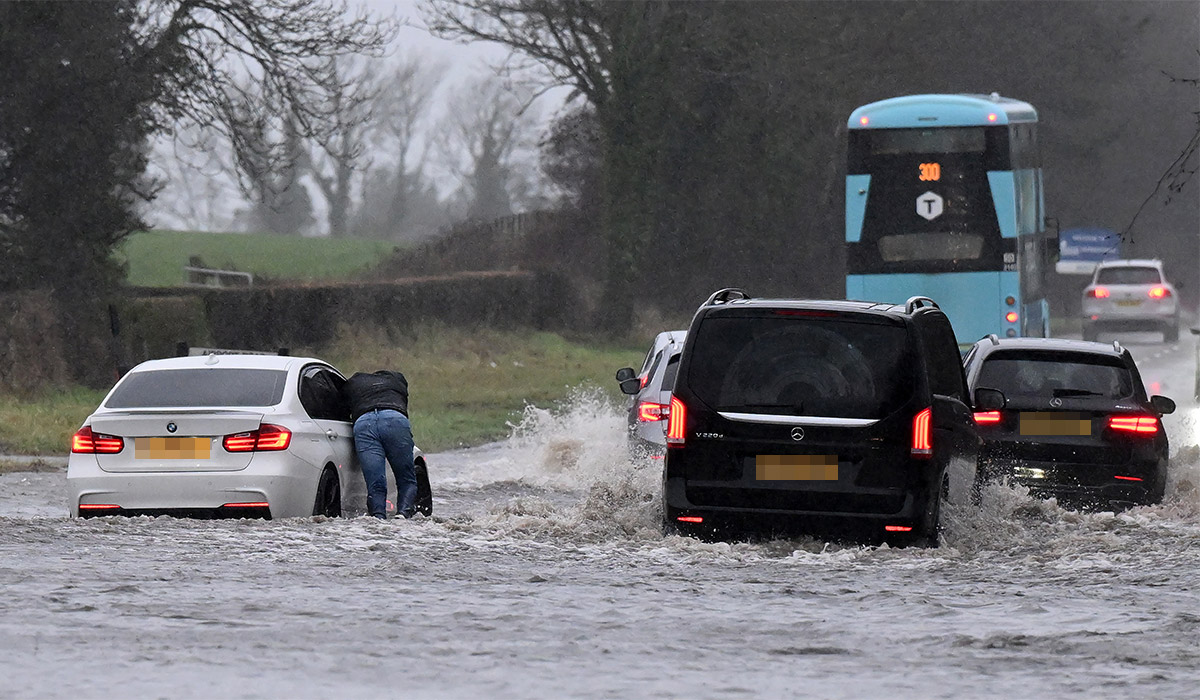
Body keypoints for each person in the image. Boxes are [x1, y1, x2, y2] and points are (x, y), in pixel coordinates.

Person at [342, 369, 418, 519]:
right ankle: (403, 514)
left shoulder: (354, 383)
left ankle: (378, 518)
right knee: (407, 479)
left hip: (364, 423)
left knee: (375, 482)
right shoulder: (397, 381)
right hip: (395, 419)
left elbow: (342, 407)